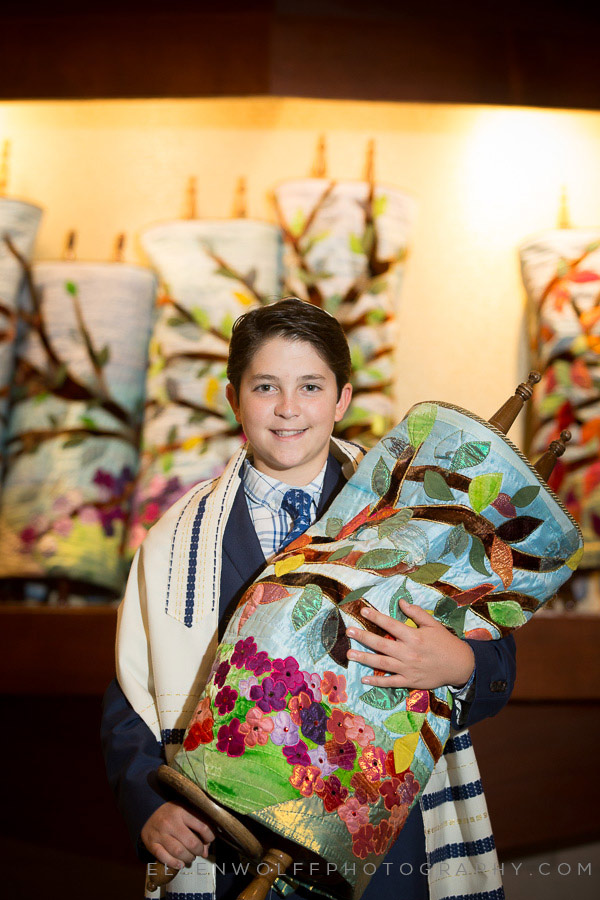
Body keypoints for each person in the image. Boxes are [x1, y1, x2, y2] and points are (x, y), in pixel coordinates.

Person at [101, 297, 516, 900]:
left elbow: (495, 644)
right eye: (266, 386)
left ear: (343, 399)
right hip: (229, 839)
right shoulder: (174, 544)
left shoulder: (412, 511)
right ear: (233, 397)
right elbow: (130, 689)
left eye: (311, 386)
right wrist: (147, 800)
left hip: (383, 841)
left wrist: (462, 665)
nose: (289, 408)